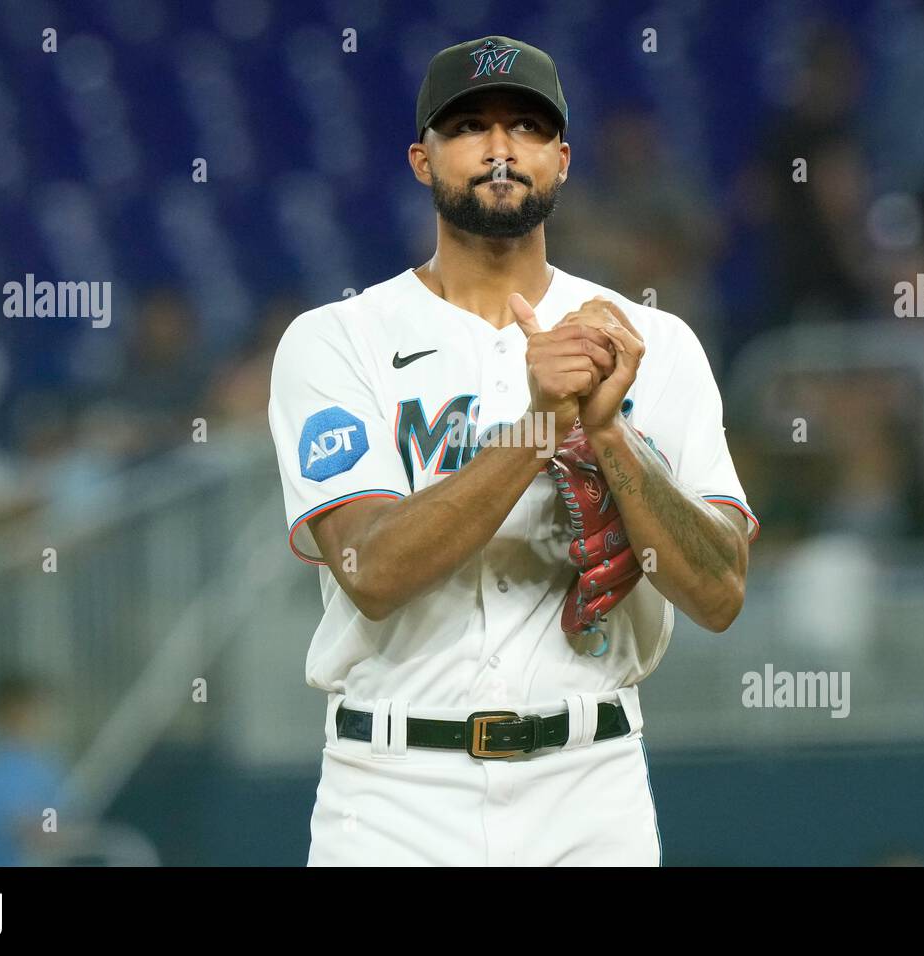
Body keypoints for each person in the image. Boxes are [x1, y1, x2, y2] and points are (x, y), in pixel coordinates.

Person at [267, 36, 757, 866]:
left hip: (589, 785)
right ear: (422, 160)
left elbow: (717, 594)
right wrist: (540, 427)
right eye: (470, 128)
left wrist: (607, 435)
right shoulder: (337, 340)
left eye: (527, 127)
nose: (500, 148)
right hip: (394, 792)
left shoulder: (654, 343)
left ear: (562, 161)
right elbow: (373, 572)